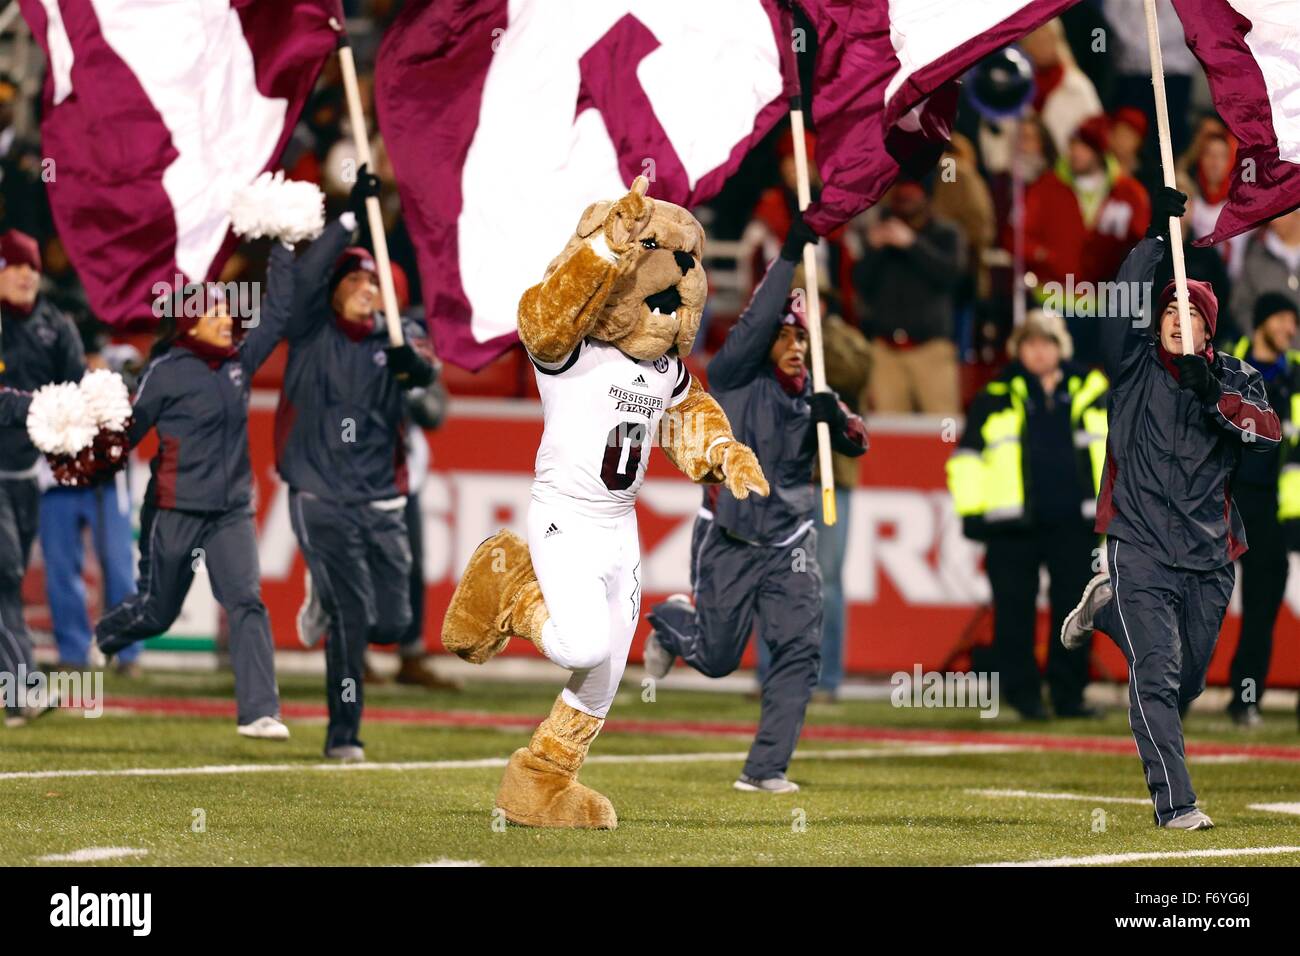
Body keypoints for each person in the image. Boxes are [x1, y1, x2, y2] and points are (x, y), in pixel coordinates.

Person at [1060, 187, 1281, 830]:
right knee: (1155, 677)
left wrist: (1214, 394)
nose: (1178, 322)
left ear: (1210, 329)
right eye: (1170, 313)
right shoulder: (1132, 366)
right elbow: (1121, 304)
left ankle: (1104, 610)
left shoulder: (1236, 377)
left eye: (1193, 316)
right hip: (1139, 541)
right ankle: (1176, 804)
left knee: (1185, 683)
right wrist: (1155, 239)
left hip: (1212, 553)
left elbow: (1267, 437)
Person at [645, 220, 869, 792]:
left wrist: (837, 422)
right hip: (730, 537)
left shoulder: (814, 394)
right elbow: (756, 318)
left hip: (789, 543)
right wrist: (792, 252)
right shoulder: (734, 375)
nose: (796, 348)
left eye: (802, 339)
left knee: (798, 650)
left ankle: (765, 768)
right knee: (718, 659)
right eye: (785, 337)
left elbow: (858, 440)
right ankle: (674, 622)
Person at [95, 248, 296, 741]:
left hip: (230, 511)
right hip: (174, 509)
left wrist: (284, 247)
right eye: (213, 312)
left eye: (227, 309)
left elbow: (279, 312)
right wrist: (88, 453)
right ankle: (100, 639)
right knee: (156, 613)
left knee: (246, 600)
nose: (226, 318)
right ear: (188, 323)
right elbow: (125, 432)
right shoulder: (165, 371)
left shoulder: (239, 361)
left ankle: (258, 711)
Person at [276, 168, 438, 761]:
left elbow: (429, 376)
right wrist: (349, 213)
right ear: (336, 287)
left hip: (380, 496)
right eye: (358, 279)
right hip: (320, 493)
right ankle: (343, 734)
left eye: (376, 280)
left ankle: (324, 591)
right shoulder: (311, 330)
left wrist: (411, 369)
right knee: (351, 620)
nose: (369, 288)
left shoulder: (396, 336)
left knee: (391, 622)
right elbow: (310, 271)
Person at [948, 310, 1108, 719]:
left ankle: (1068, 695)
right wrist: (971, 511)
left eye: (1047, 342)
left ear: (1061, 347)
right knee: (1013, 612)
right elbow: (966, 458)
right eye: (1031, 343)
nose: (1039, 351)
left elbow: (1119, 453)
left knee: (1077, 611)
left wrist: (1115, 508)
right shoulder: (996, 392)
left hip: (1077, 520)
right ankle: (1024, 695)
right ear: (1018, 349)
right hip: (1011, 525)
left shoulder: (1094, 389)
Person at [0, 229, 84, 726]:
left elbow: (77, 389)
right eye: (17, 264)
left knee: (9, 581)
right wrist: (38, 406)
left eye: (34, 265)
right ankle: (25, 685)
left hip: (26, 474)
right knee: (5, 574)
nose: (29, 274)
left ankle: (14, 695)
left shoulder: (56, 324)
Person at [40, 345, 142, 676]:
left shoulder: (117, 354)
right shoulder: (42, 350)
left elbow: (135, 381)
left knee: (117, 562)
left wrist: (104, 375)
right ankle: (72, 651)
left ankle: (125, 650)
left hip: (106, 478)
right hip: (55, 475)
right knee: (60, 567)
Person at [1223, 294, 1300, 726]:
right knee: (1199, 603)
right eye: (1283, 319)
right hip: (1222, 498)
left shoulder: (1296, 375)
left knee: (1261, 609)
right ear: (1262, 321)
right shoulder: (1227, 367)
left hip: (1271, 507)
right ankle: (1175, 698)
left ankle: (1245, 697)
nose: (1290, 328)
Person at [854, 180, 963, 414]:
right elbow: (860, 284)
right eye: (900, 193)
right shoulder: (879, 235)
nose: (905, 197)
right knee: (890, 431)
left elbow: (951, 276)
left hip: (931, 349)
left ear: (926, 197)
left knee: (941, 428)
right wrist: (873, 249)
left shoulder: (945, 234)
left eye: (912, 192)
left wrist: (912, 244)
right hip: (886, 350)